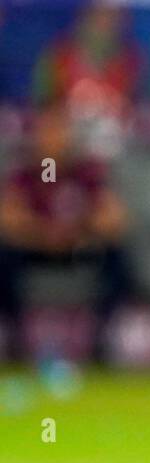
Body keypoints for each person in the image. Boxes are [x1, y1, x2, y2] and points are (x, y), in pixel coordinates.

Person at [0, 107, 130, 365]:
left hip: (77, 247)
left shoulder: (86, 172)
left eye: (60, 131)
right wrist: (42, 232)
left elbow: (116, 219)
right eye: (47, 132)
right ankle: (16, 340)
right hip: (34, 248)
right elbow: (8, 216)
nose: (53, 139)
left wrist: (78, 228)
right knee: (4, 258)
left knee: (119, 259)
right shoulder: (26, 172)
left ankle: (100, 341)